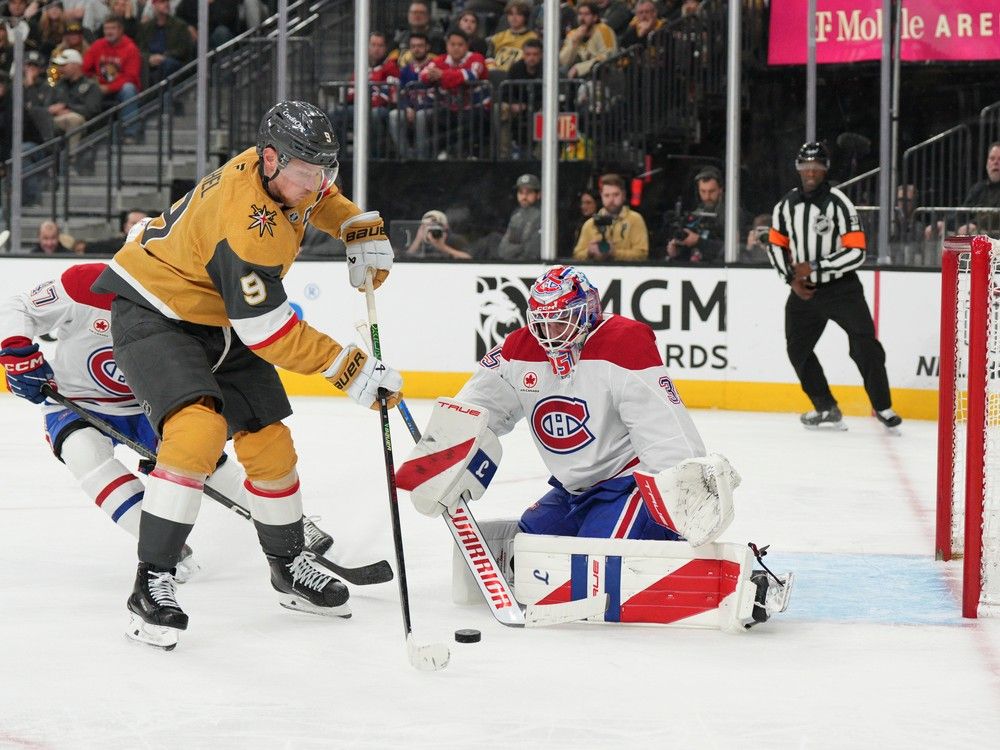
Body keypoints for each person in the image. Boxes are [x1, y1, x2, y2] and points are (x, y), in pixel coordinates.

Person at [90, 100, 400, 650]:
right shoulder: (245, 226)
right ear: (271, 160)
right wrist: (349, 368)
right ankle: (151, 583)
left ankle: (287, 566)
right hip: (155, 311)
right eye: (306, 172)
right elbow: (270, 333)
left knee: (270, 444)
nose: (316, 184)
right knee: (196, 432)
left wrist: (353, 224)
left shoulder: (283, 173)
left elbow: (321, 197)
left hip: (219, 316)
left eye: (324, 170)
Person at [397, 265, 793, 627]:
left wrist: (684, 498)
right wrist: (437, 461)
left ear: (587, 312)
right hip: (572, 490)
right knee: (529, 549)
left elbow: (664, 428)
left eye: (561, 320)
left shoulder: (622, 343)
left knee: (599, 558)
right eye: (542, 322)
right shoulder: (519, 349)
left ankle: (722, 573)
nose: (550, 333)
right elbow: (475, 408)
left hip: (628, 483)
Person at [0, 263, 336, 583]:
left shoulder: (185, 295)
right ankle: (163, 550)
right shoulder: (84, 283)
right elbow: (18, 307)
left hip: (150, 401)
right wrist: (16, 351)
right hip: (77, 402)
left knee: (202, 458)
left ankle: (288, 523)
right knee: (84, 454)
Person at [767, 142, 902, 431]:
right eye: (805, 166)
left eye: (816, 167)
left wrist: (816, 265)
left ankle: (883, 406)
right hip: (804, 290)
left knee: (865, 344)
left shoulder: (840, 204)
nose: (810, 172)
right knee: (798, 349)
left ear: (825, 169)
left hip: (842, 289)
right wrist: (791, 279)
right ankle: (825, 406)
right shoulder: (785, 205)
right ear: (798, 168)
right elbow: (775, 245)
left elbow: (857, 252)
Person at [665, 165, 745, 263]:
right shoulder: (697, 212)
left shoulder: (732, 214)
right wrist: (677, 252)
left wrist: (700, 242)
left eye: (711, 191)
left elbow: (735, 250)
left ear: (720, 190)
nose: (707, 196)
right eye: (703, 191)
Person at [82, 15, 142, 142]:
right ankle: (86, 134)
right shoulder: (98, 45)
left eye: (113, 28)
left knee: (129, 89)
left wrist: (108, 88)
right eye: (106, 28)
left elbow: (130, 77)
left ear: (120, 30)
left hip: (120, 89)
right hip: (100, 86)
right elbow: (85, 68)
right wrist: (93, 80)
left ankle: (130, 133)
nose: (109, 32)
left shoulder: (131, 48)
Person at [48, 47, 102, 173]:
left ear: (76, 65)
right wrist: (56, 110)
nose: (61, 69)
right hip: (56, 121)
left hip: (83, 125)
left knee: (74, 119)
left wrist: (68, 107)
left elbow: (92, 110)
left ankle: (70, 160)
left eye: (64, 65)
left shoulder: (91, 86)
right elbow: (49, 106)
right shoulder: (58, 85)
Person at [573, 173, 648, 261]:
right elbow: (577, 255)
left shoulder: (635, 219)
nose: (611, 200)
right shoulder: (590, 224)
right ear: (601, 196)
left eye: (616, 195)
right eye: (607, 195)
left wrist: (614, 253)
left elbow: (642, 254)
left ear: (623, 195)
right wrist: (589, 252)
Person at [388, 31, 435, 159]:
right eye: (413, 46)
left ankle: (421, 158)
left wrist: (418, 109)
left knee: (420, 116)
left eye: (420, 46)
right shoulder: (405, 70)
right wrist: (407, 108)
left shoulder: (435, 66)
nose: (416, 49)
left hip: (431, 109)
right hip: (410, 109)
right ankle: (407, 157)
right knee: (393, 115)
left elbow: (439, 94)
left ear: (427, 47)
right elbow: (400, 94)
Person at [135, 0, 193, 88]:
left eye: (167, 2)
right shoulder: (146, 27)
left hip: (172, 63)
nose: (166, 4)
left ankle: (161, 93)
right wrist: (149, 58)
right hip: (151, 63)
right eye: (162, 2)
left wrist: (164, 57)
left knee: (167, 64)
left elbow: (183, 50)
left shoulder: (180, 26)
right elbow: (139, 49)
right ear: (154, 5)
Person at [558, 1, 617, 79]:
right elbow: (563, 61)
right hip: (580, 77)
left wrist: (579, 68)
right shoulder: (573, 34)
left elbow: (607, 56)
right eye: (580, 14)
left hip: (603, 76)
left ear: (595, 17)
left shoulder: (603, 30)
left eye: (586, 14)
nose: (582, 18)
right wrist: (574, 41)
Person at [494, 173, 541, 261]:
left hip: (534, 265)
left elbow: (532, 251)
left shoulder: (544, 216)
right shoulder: (516, 215)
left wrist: (517, 248)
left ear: (538, 194)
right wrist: (522, 246)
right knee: (492, 238)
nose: (524, 197)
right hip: (513, 264)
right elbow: (503, 251)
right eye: (521, 192)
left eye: (529, 192)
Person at [486, 1, 538, 73]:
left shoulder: (533, 38)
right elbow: (489, 59)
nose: (514, 18)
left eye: (519, 14)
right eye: (511, 14)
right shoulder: (497, 38)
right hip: (496, 73)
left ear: (525, 17)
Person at [405, 209, 472, 260]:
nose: (432, 229)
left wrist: (443, 247)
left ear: (445, 226)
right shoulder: (420, 241)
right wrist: (418, 239)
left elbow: (468, 257)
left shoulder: (455, 239)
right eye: (427, 226)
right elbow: (406, 258)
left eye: (435, 225)